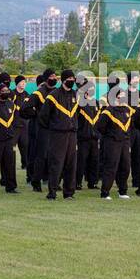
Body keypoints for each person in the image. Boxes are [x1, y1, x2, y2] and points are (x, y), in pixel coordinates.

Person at [39, 69, 80, 199]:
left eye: (73, 79)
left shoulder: (75, 95)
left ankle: (68, 193)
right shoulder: (53, 95)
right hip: (58, 135)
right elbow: (43, 116)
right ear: (63, 80)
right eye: (69, 79)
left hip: (72, 135)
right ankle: (52, 192)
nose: (72, 81)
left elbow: (77, 114)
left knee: (71, 164)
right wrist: (54, 127)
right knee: (56, 163)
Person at [96, 82, 134, 199]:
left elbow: (131, 125)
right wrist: (110, 135)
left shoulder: (127, 110)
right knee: (111, 167)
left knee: (125, 166)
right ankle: (105, 192)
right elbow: (99, 126)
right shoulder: (108, 111)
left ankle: (122, 191)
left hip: (124, 142)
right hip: (112, 142)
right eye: (121, 95)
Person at [25, 68, 56, 191]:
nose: (54, 78)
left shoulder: (56, 92)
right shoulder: (39, 93)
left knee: (54, 156)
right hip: (43, 129)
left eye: (55, 76)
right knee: (41, 156)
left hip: (55, 129)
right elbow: (25, 108)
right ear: (46, 78)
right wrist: (37, 115)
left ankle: (52, 181)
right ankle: (36, 182)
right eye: (52, 76)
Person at [76, 76, 103, 191]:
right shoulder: (80, 103)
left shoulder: (96, 102)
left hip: (94, 137)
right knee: (81, 161)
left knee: (94, 160)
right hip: (83, 137)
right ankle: (77, 182)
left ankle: (92, 182)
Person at [11, 75, 30, 176]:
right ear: (17, 83)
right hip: (13, 126)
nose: (23, 83)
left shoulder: (27, 95)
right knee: (11, 147)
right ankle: (10, 164)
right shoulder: (12, 94)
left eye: (24, 82)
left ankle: (25, 164)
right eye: (22, 82)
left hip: (24, 125)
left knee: (25, 146)